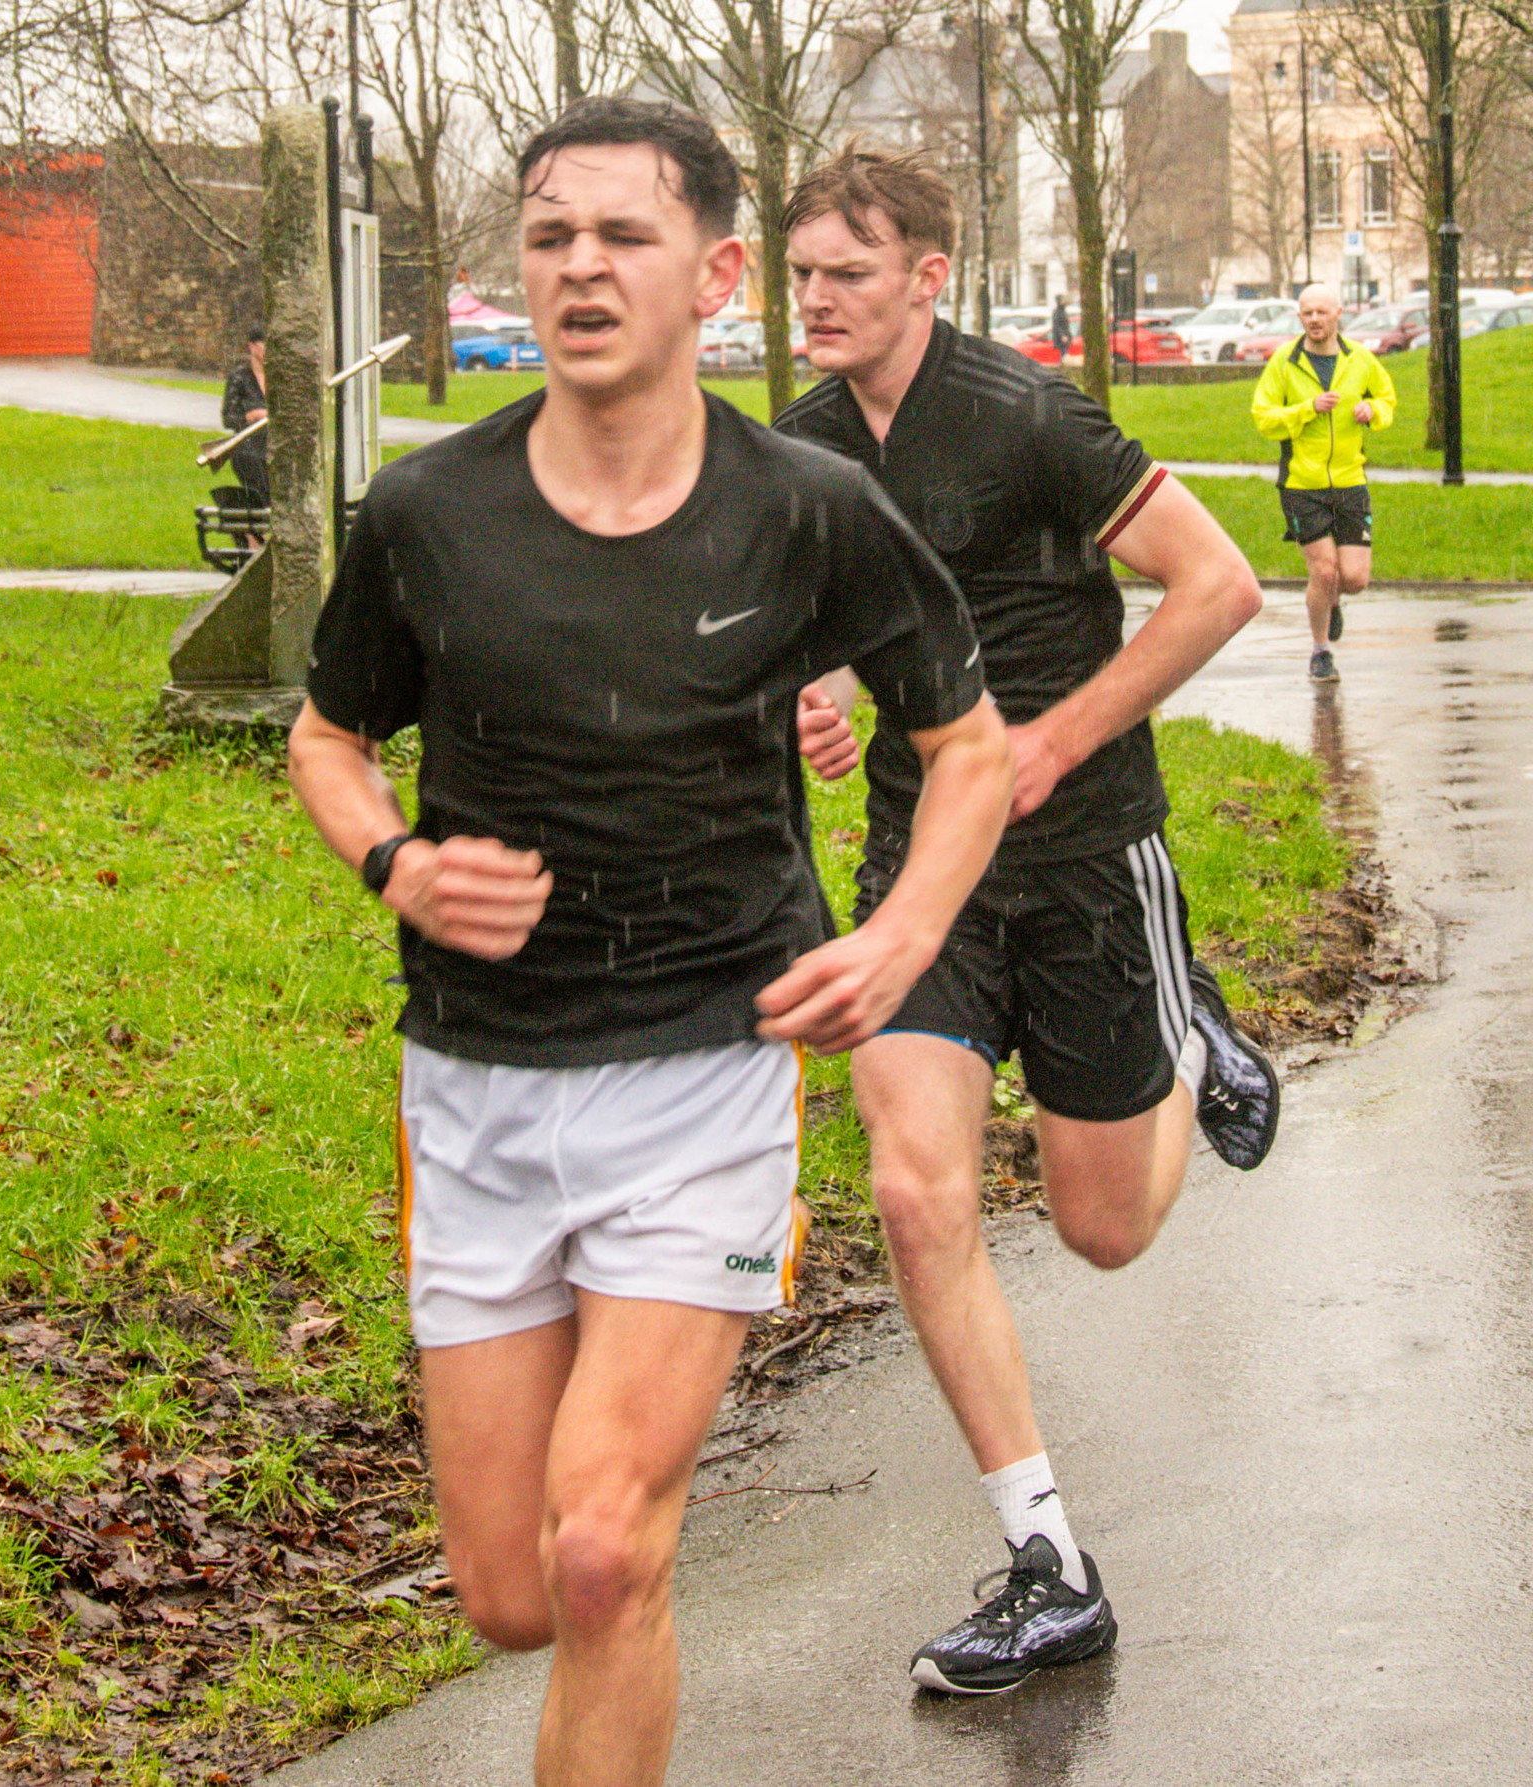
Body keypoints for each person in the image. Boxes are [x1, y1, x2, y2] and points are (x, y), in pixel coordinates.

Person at [289, 98, 1014, 1787]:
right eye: (550, 236)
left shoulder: (806, 507)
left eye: (622, 235)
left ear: (716, 272)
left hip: (704, 1071)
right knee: (514, 1592)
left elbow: (967, 742)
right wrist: (396, 860)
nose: (582, 267)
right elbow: (326, 739)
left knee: (608, 1546)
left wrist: (903, 937)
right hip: (471, 1088)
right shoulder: (426, 514)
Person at [775, 143, 1278, 1696]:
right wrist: (833, 691)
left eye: (844, 275)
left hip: (1080, 851)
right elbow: (843, 622)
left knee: (1102, 1228)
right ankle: (1048, 1556)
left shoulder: (1029, 416)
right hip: (922, 871)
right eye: (800, 276)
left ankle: (1186, 1029)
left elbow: (1217, 584)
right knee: (917, 1187)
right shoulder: (799, 450)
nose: (815, 304)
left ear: (928, 275)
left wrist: (1055, 739)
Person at [1251, 282, 1396, 683]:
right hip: (1302, 484)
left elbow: (1387, 398)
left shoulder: (1360, 359)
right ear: (1300, 318)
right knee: (1324, 570)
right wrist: (1305, 409)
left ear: (1338, 315)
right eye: (1307, 313)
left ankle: (1333, 602)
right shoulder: (1285, 361)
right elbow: (1263, 416)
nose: (1314, 320)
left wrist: (1373, 410)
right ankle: (1320, 652)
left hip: (1350, 481)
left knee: (1354, 579)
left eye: (1321, 312)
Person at [219, 321, 271, 503]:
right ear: (252, 346)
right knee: (259, 489)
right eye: (265, 344)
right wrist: (250, 417)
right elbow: (228, 418)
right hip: (249, 448)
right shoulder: (239, 378)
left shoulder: (279, 378)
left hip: (274, 446)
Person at [1049, 291, 1071, 358]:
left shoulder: (1062, 311)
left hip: (1065, 337)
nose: (1065, 301)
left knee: (1064, 354)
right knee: (1064, 355)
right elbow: (1057, 326)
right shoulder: (1058, 312)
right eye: (1063, 300)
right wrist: (1062, 336)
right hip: (1062, 339)